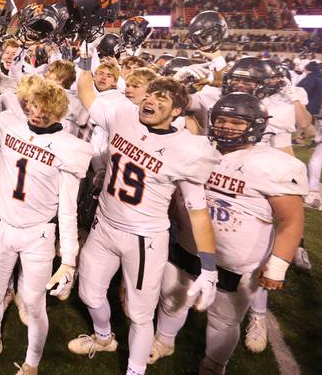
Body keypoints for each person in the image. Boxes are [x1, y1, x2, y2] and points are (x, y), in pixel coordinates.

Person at [70, 50, 220, 375]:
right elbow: (86, 93)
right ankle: (104, 336)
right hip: (104, 225)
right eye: (150, 93)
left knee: (139, 314)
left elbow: (197, 211)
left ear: (177, 110)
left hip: (144, 239)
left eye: (161, 97)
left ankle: (135, 370)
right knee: (89, 292)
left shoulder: (187, 148)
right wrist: (80, 56)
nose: (150, 100)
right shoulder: (123, 114)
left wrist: (209, 267)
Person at [149, 93, 305, 374]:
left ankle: (213, 364)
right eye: (222, 120)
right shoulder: (198, 148)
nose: (228, 127)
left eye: (237, 122)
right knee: (172, 299)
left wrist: (278, 265)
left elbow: (291, 220)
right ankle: (164, 341)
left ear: (256, 125)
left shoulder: (273, 164)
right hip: (187, 245)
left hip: (236, 261)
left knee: (224, 319)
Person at [0, 68, 93, 374]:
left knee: (34, 305)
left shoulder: (69, 147)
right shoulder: (11, 125)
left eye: (43, 109)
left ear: (57, 110)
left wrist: (69, 261)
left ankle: (32, 364)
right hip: (1, 225)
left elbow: (68, 208)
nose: (35, 112)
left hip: (38, 235)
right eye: (32, 105)